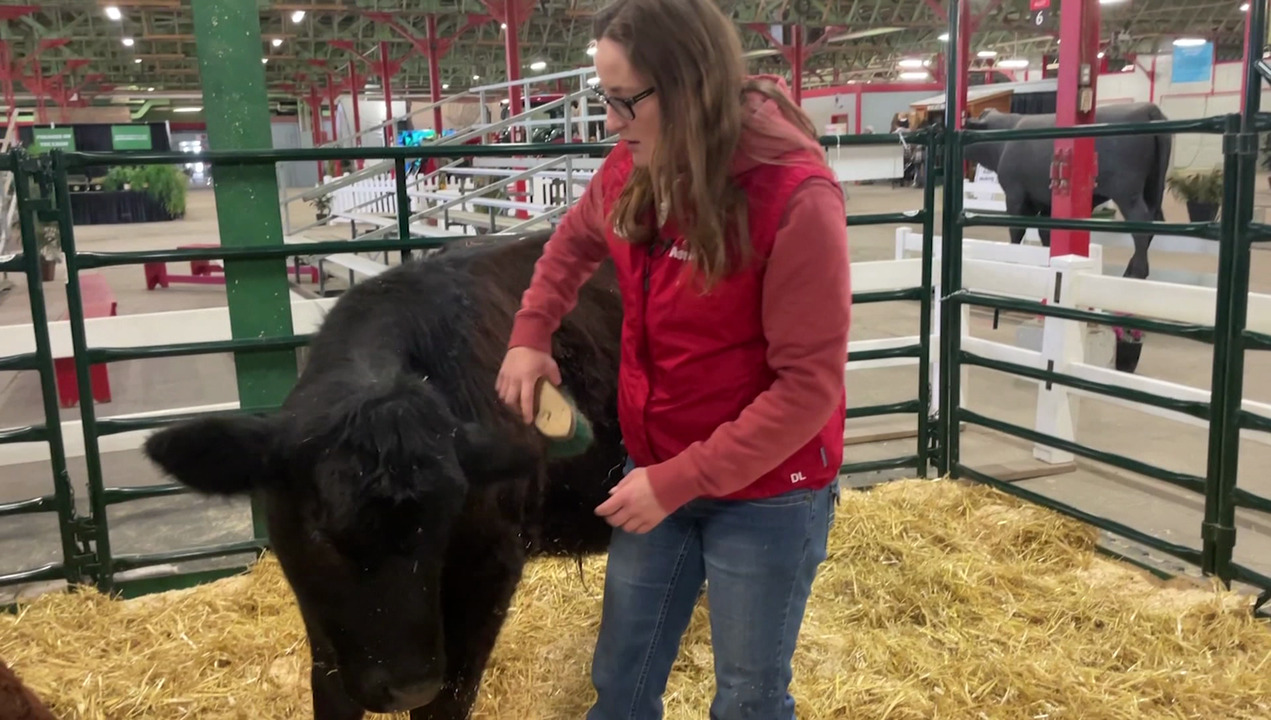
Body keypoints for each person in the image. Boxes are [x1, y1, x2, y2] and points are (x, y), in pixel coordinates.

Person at [494, 0, 851, 717]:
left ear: (688, 86)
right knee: (619, 681)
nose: (611, 124)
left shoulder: (792, 199)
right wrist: (530, 333)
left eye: (624, 101)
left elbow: (807, 389)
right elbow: (570, 244)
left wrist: (677, 481)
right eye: (606, 100)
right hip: (658, 470)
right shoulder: (636, 163)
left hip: (767, 493)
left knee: (747, 695)